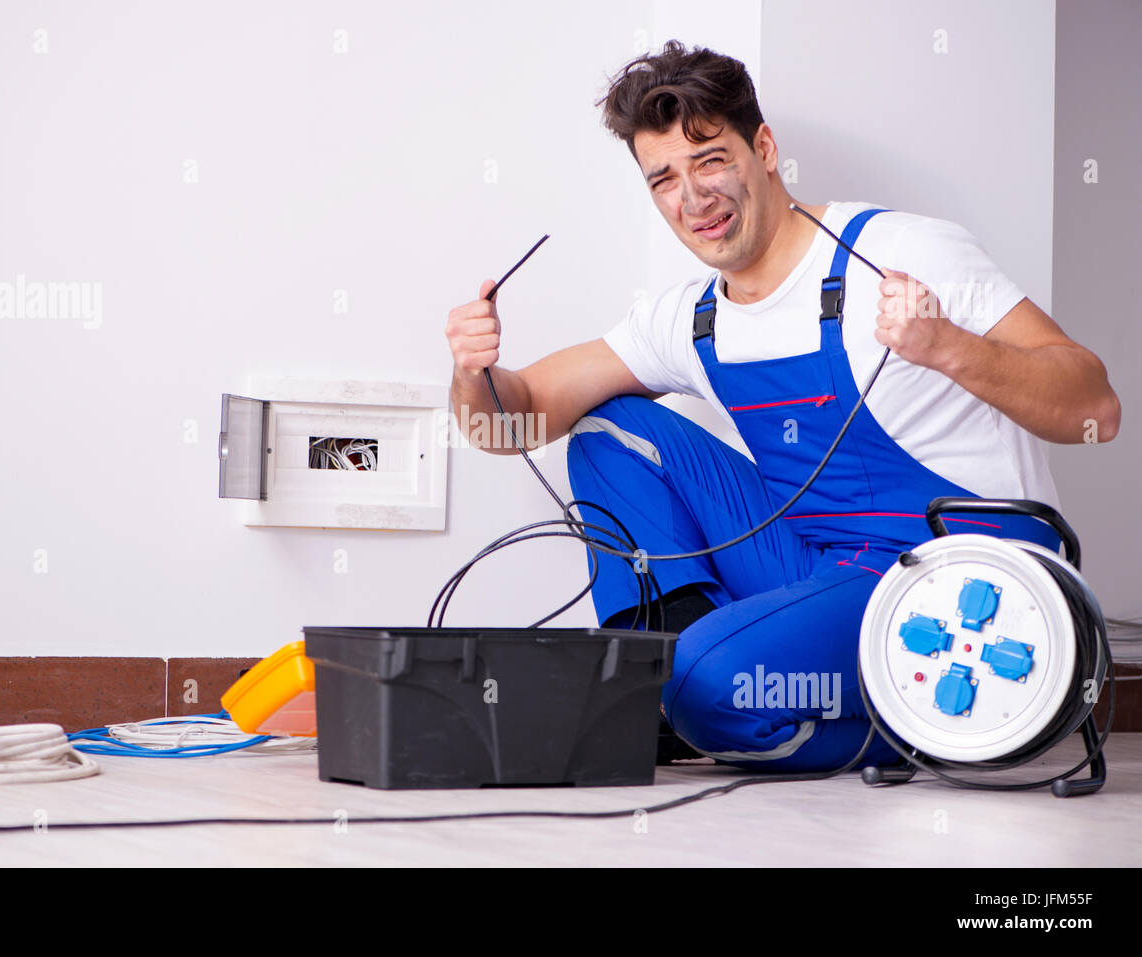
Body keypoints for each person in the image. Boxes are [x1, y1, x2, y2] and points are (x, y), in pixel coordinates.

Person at [444, 41, 1121, 772]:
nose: (691, 199)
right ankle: (679, 693)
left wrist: (948, 345)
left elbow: (1095, 405)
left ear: (763, 148)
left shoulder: (901, 252)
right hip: (816, 568)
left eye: (709, 160)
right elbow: (511, 420)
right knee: (610, 431)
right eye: (664, 178)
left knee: (708, 677)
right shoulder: (691, 318)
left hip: (947, 577)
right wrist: (472, 372)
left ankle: (855, 715)